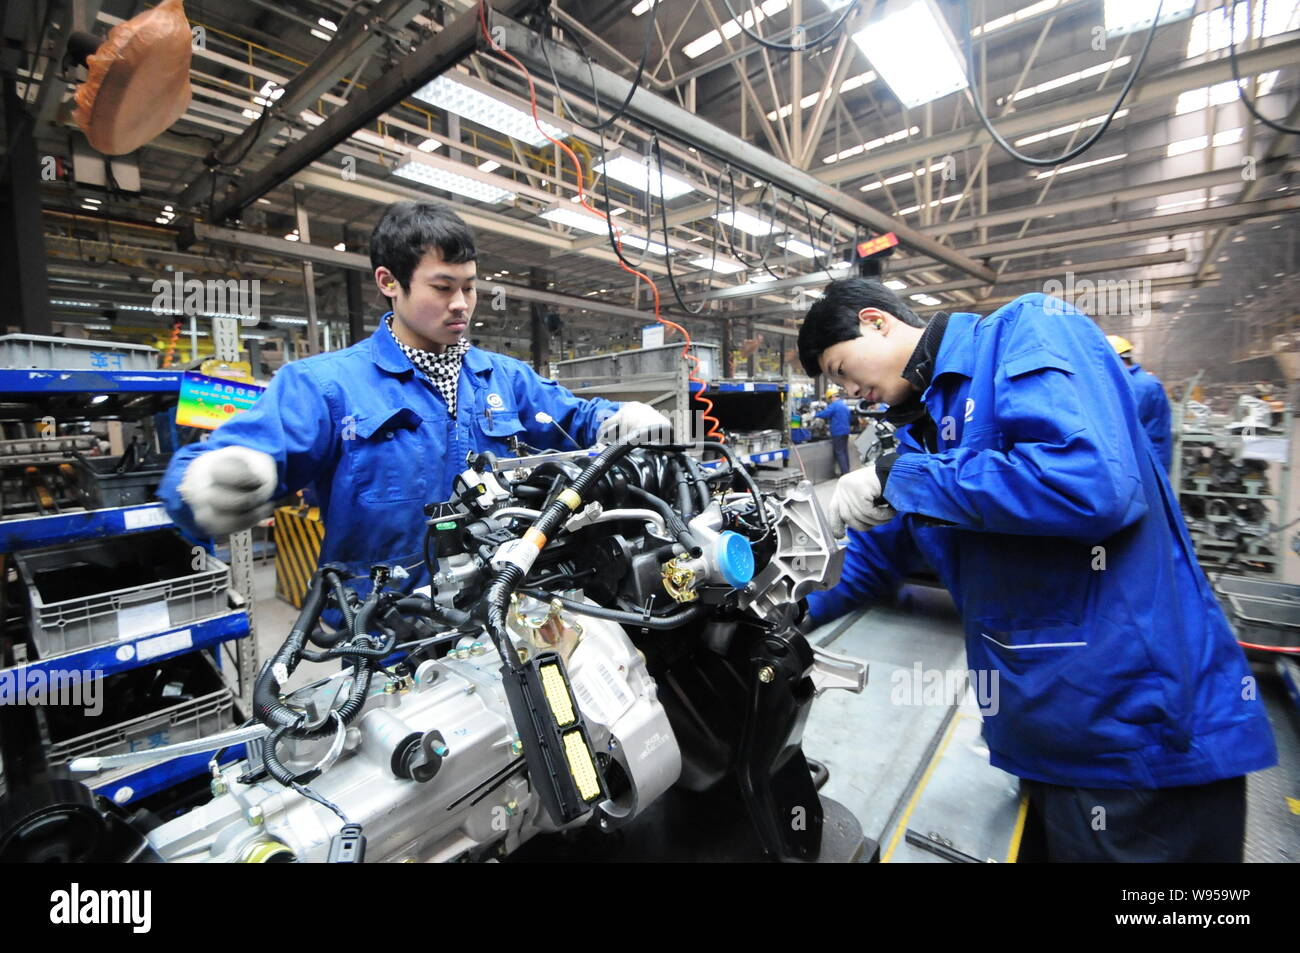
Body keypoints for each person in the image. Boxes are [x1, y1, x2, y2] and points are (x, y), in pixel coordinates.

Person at [795, 278, 1276, 862]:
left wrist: (903, 479)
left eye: (842, 369)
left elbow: (1091, 485)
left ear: (875, 321)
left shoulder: (1027, 328)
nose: (852, 393)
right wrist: (787, 610)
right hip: (1048, 740)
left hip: (1139, 737)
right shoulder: (920, 429)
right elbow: (878, 558)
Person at [159, 201, 669, 599]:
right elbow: (216, 466)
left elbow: (572, 418)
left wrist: (618, 418)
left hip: (500, 608)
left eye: (469, 288)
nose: (461, 304)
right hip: (383, 635)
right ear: (389, 282)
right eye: (442, 287)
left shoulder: (504, 377)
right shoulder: (324, 387)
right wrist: (213, 482)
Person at [1107, 334, 1172, 472]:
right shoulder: (1143, 382)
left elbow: (1122, 426)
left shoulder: (1135, 385)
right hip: (1148, 460)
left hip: (1143, 463)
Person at [816, 387, 853, 476]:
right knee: (844, 452)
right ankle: (847, 472)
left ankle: (845, 474)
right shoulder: (843, 405)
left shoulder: (835, 405)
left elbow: (825, 414)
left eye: (829, 399)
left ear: (832, 397)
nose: (829, 401)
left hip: (838, 432)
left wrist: (815, 415)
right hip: (846, 431)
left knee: (840, 453)